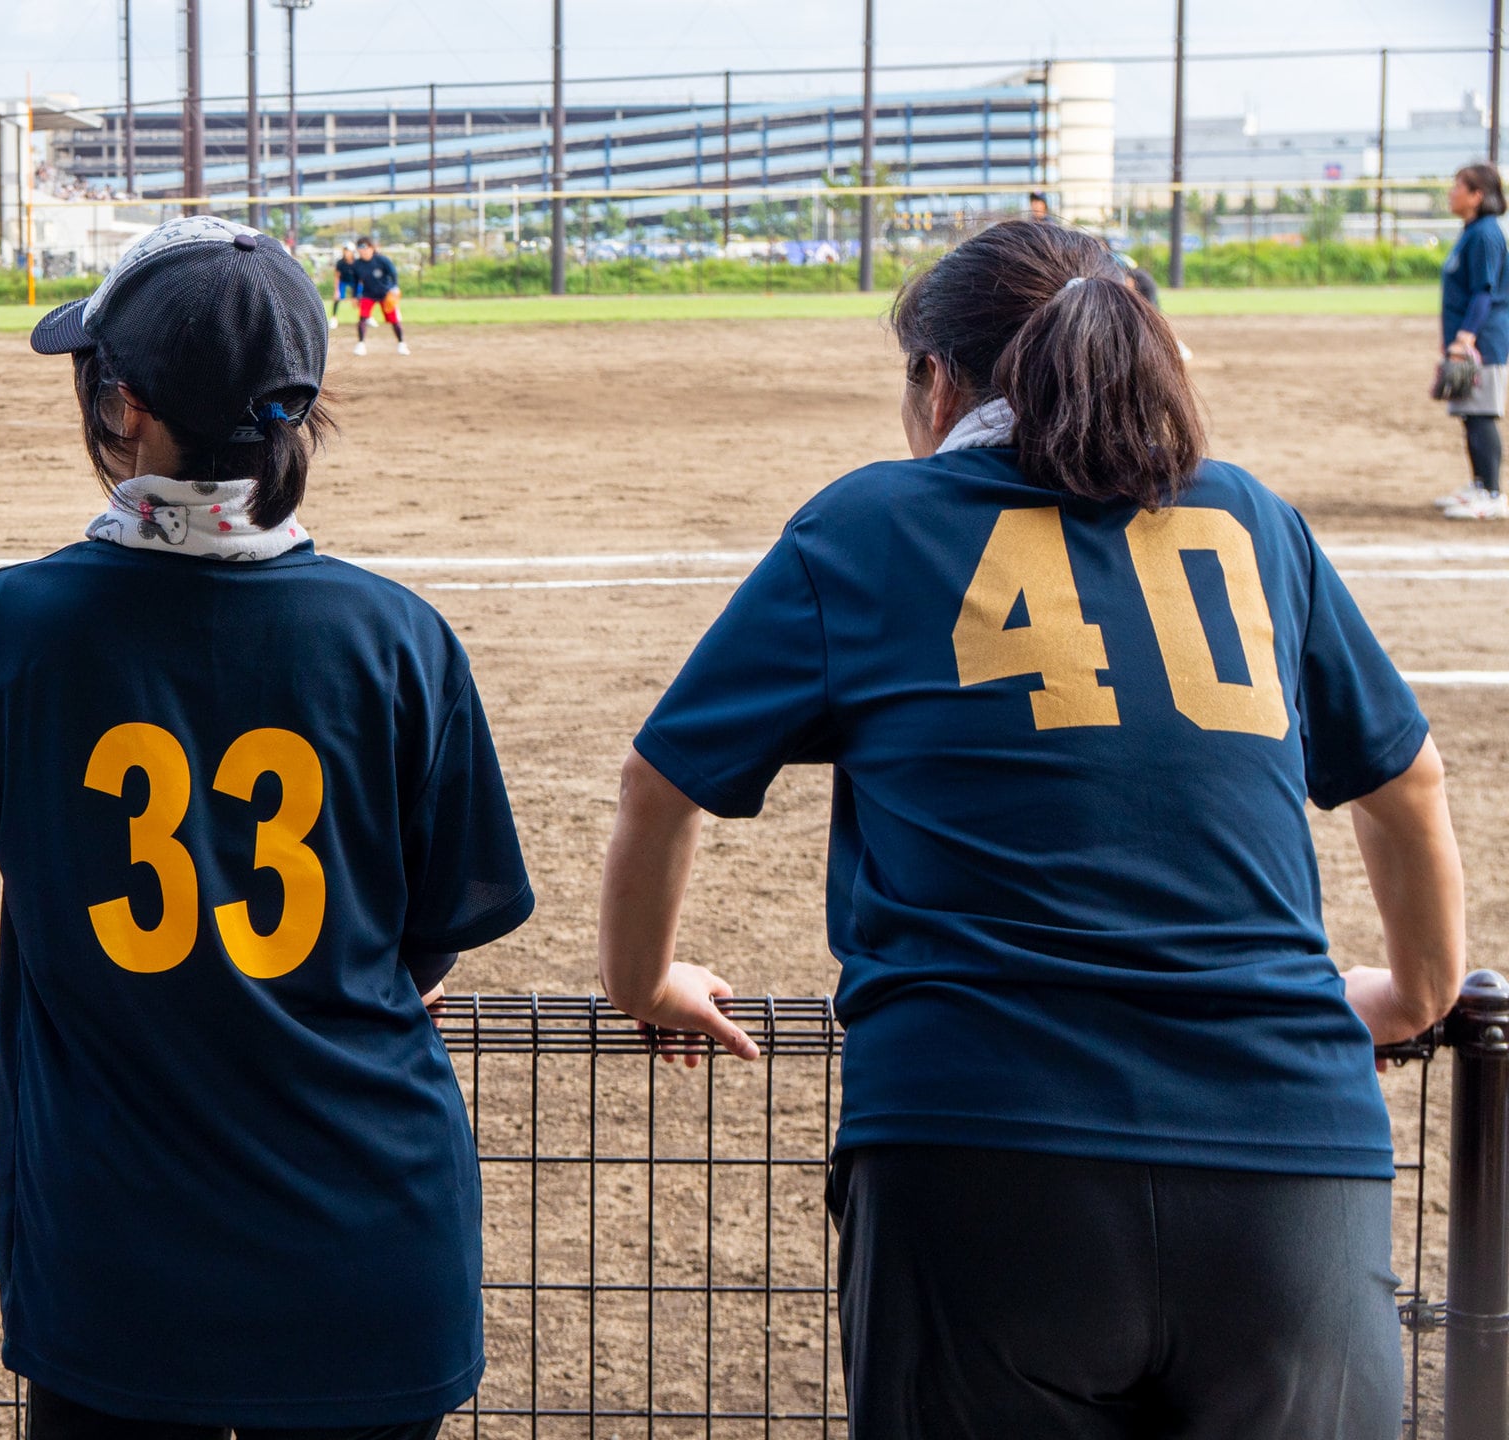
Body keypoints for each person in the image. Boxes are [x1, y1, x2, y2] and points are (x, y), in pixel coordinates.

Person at [600, 219, 1463, 1440]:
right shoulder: (1251, 519)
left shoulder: (869, 523)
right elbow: (1407, 785)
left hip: (977, 1144)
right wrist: (1418, 991)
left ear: (938, 382)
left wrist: (643, 978)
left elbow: (658, 784)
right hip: (1287, 1152)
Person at [0, 214, 533, 1436]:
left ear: (124, 410)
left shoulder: (5, 625)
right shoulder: (398, 636)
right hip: (374, 1240)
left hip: (119, 1264)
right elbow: (440, 930)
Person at [1437, 163, 1509, 520]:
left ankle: (1493, 493)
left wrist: (1465, 338)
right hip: (1471, 340)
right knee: (1469, 413)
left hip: (1484, 342)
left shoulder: (1485, 234)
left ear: (1477, 195)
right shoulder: (1471, 231)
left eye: (1458, 186)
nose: (1452, 193)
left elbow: (1484, 292)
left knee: (1481, 415)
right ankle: (1479, 485)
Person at [351, 236, 406, 356]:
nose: (362, 251)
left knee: (394, 320)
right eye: (359, 248)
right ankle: (361, 344)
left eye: (365, 248)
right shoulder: (357, 264)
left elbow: (393, 273)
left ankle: (401, 343)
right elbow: (355, 282)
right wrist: (355, 296)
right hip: (368, 294)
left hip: (385, 294)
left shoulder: (381, 260)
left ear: (371, 248)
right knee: (362, 318)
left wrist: (395, 287)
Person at [329, 239, 358, 331]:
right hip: (343, 281)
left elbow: (360, 277)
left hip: (355, 282)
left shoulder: (357, 262)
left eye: (348, 250)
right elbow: (337, 277)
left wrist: (356, 295)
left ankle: (366, 318)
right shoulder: (340, 263)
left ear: (352, 251)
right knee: (337, 298)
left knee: (363, 297)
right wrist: (336, 291)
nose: (346, 252)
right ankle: (334, 318)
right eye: (344, 250)